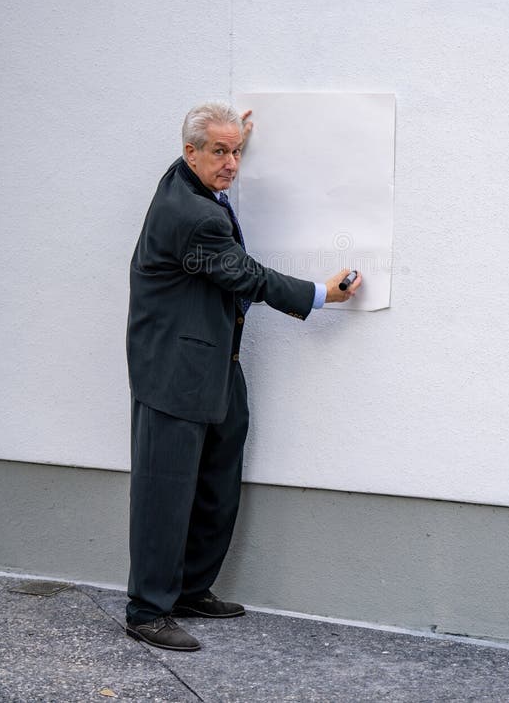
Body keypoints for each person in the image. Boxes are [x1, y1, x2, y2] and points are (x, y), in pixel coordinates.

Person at [125, 102, 362, 652]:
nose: (232, 162)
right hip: (174, 373)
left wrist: (230, 135)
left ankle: (188, 589)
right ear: (190, 153)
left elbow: (208, 152)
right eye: (219, 152)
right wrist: (321, 295)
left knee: (217, 480)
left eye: (237, 151)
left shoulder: (187, 177)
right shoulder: (192, 216)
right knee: (166, 492)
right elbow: (248, 276)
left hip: (215, 365)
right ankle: (147, 609)